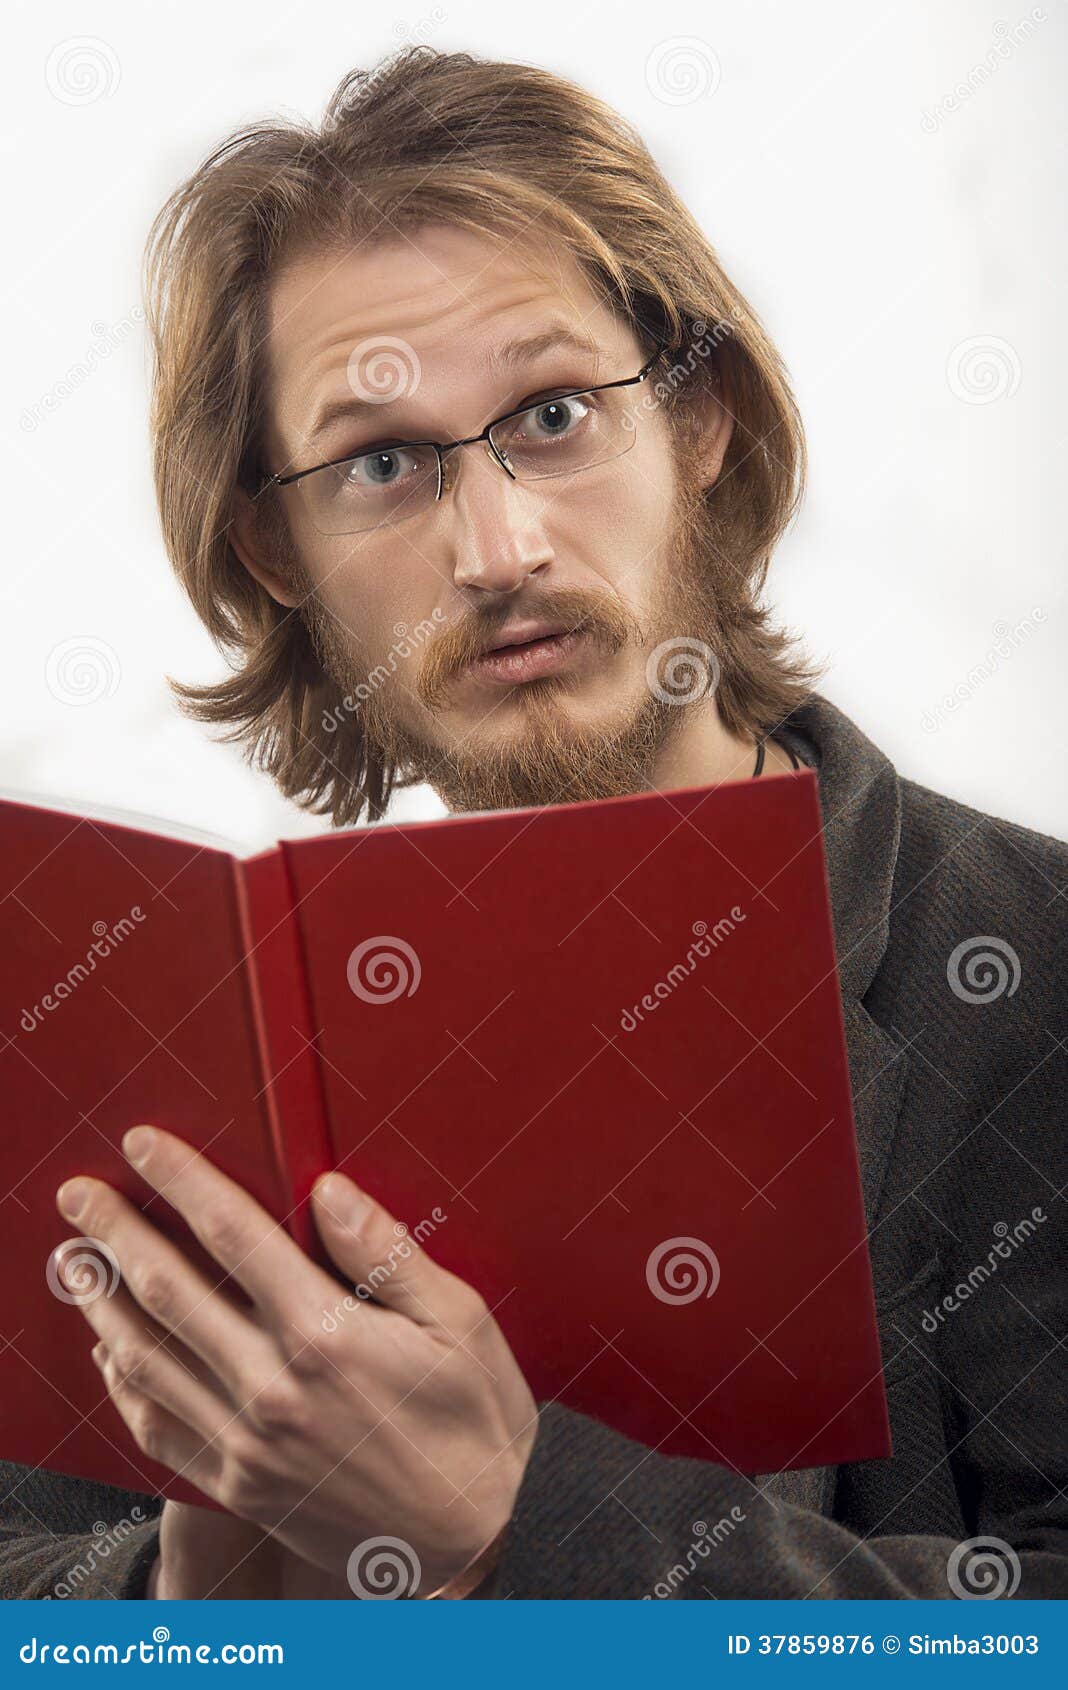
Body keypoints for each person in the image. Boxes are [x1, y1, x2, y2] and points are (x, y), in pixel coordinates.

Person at [3, 46, 1064, 1601]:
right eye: (382, 463)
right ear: (276, 545)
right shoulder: (143, 1032)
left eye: (555, 412)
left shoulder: (1032, 971)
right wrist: (188, 1605)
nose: (498, 546)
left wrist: (518, 1514)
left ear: (695, 423)